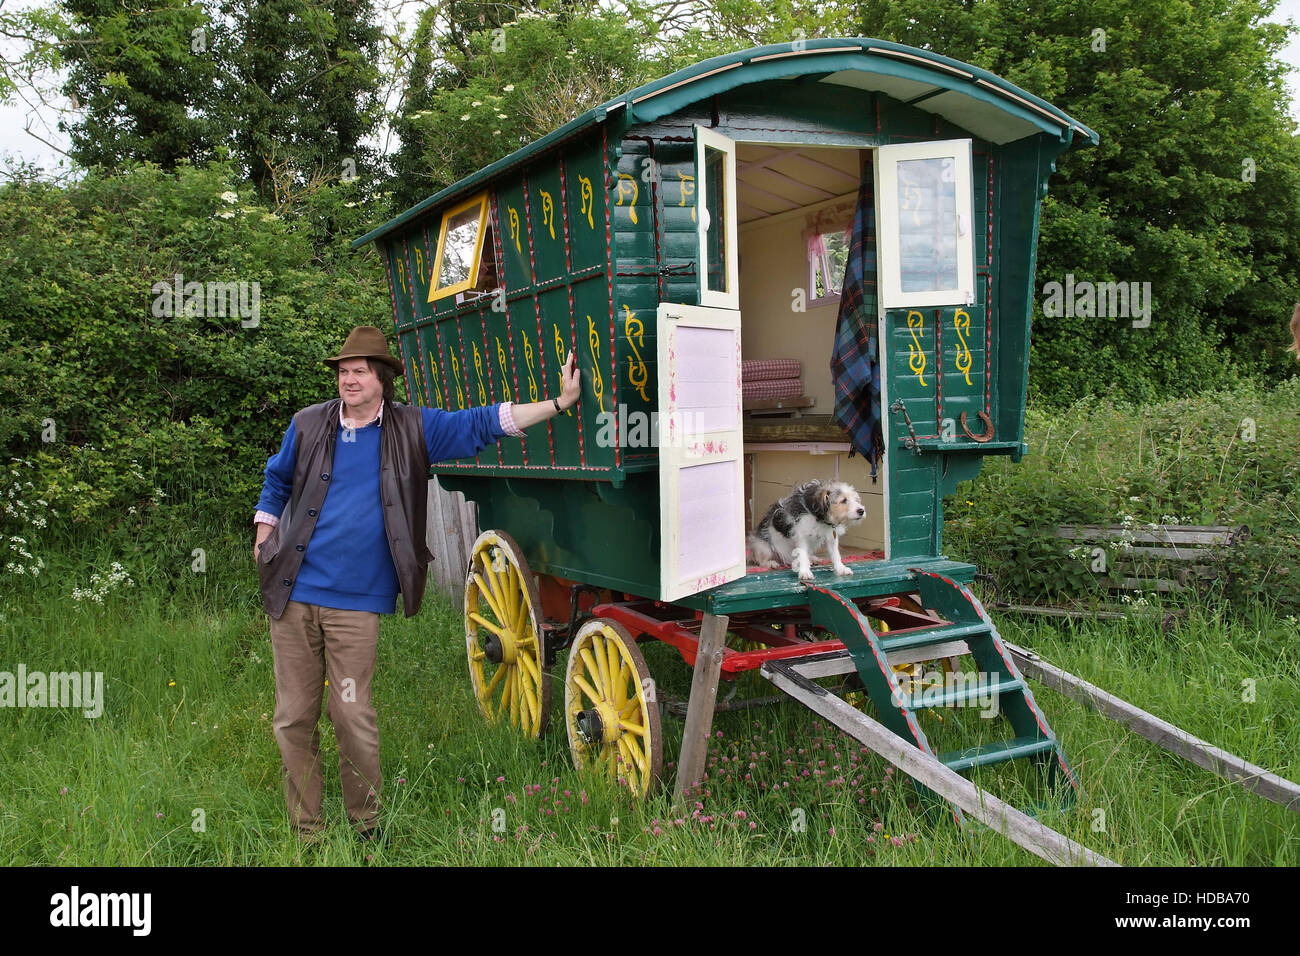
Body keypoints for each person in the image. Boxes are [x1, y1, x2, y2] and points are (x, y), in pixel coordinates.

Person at [253, 324, 580, 843]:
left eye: (359, 371)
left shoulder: (412, 429)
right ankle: (307, 832)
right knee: (293, 717)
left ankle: (366, 829)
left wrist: (558, 404)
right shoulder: (309, 424)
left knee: (351, 713)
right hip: (294, 593)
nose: (349, 379)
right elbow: (277, 478)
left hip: (355, 604)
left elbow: (484, 424)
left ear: (382, 379)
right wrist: (264, 533)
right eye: (343, 371)